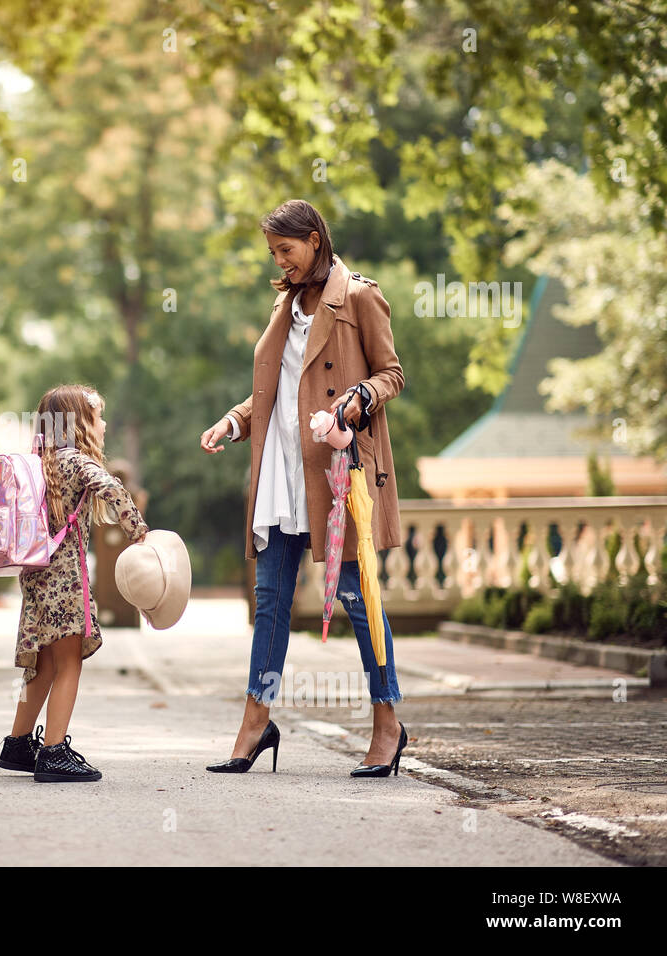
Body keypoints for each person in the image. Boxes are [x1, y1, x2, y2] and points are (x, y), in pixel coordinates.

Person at [198, 199, 409, 777]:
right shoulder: (283, 305)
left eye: (285, 250)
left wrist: (357, 398)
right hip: (279, 474)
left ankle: (387, 721)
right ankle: (255, 719)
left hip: (334, 475)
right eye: (273, 253)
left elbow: (392, 373)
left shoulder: (360, 296)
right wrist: (235, 422)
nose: (279, 262)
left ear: (315, 240)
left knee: (356, 597)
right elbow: (277, 390)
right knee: (270, 602)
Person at [0, 384, 149, 783]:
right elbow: (113, 487)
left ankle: (18, 744)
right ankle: (54, 753)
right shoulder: (76, 462)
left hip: (36, 578)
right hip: (65, 583)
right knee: (68, 665)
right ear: (79, 423)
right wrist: (139, 531)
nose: (104, 425)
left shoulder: (38, 463)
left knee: (43, 666)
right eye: (98, 418)